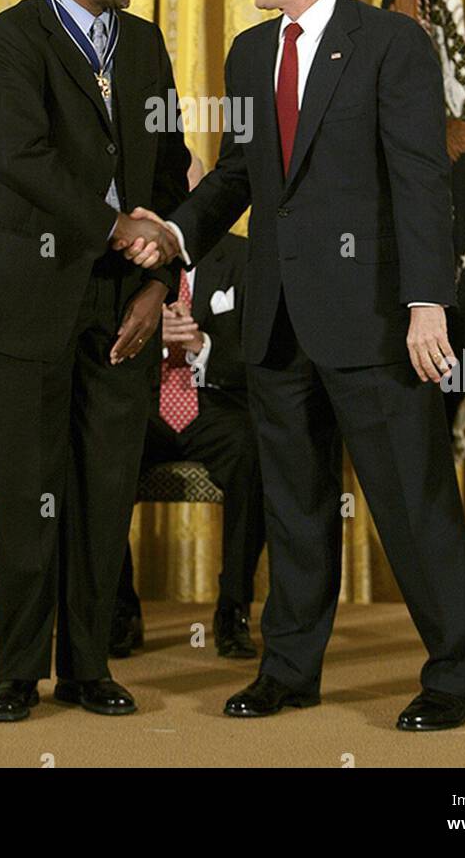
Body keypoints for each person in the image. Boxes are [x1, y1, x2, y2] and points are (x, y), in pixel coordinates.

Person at [119, 0, 465, 731]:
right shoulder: (251, 54)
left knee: (412, 501)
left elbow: (424, 180)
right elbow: (241, 174)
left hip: (376, 321)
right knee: (293, 503)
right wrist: (174, 234)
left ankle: (456, 678)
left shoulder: (392, 43)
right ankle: (288, 669)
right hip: (276, 322)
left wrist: (427, 302)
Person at [0, 0, 187, 723]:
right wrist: (116, 227)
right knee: (30, 490)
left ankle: (87, 667)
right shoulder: (11, 36)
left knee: (102, 492)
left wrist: (161, 280)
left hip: (124, 302)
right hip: (29, 299)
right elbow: (20, 158)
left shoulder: (147, 43)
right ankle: (15, 673)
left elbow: (170, 168)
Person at [110, 153, 264, 662]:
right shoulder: (125, 265)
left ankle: (233, 609)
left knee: (252, 453)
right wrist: (153, 345)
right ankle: (119, 612)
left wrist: (203, 346)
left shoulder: (246, 258)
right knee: (102, 453)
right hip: (145, 402)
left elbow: (264, 357)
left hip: (215, 403)